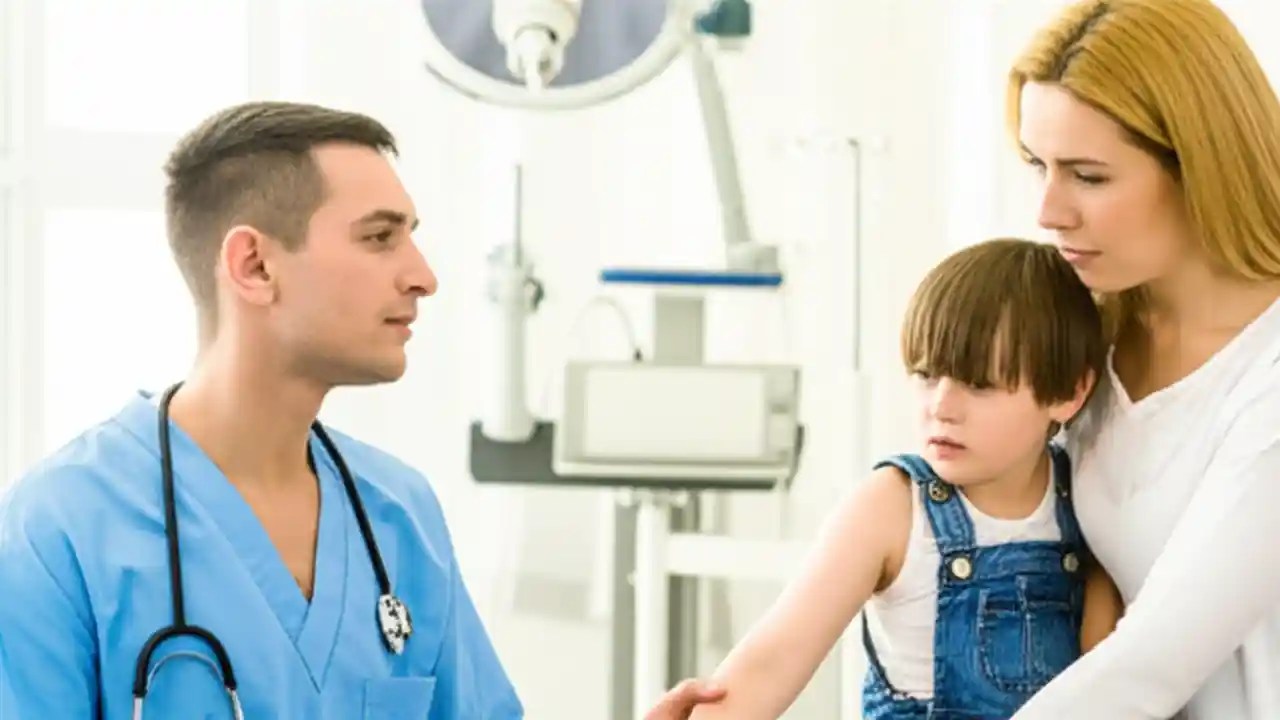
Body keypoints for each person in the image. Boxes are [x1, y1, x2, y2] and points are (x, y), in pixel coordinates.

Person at [655, 0, 1280, 718]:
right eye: (1036, 164)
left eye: (1088, 175)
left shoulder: (1265, 374)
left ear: (1201, 164)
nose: (1048, 209)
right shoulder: (1084, 330)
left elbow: (1152, 662)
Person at [0, 101, 523, 719]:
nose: (423, 276)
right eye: (380, 238)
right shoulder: (60, 527)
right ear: (254, 265)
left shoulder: (402, 515)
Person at [682, 238, 1122, 720]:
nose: (941, 407)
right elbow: (773, 660)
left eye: (979, 385)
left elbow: (1102, 687)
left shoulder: (1085, 499)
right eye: (927, 375)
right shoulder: (892, 506)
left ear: (1070, 391)